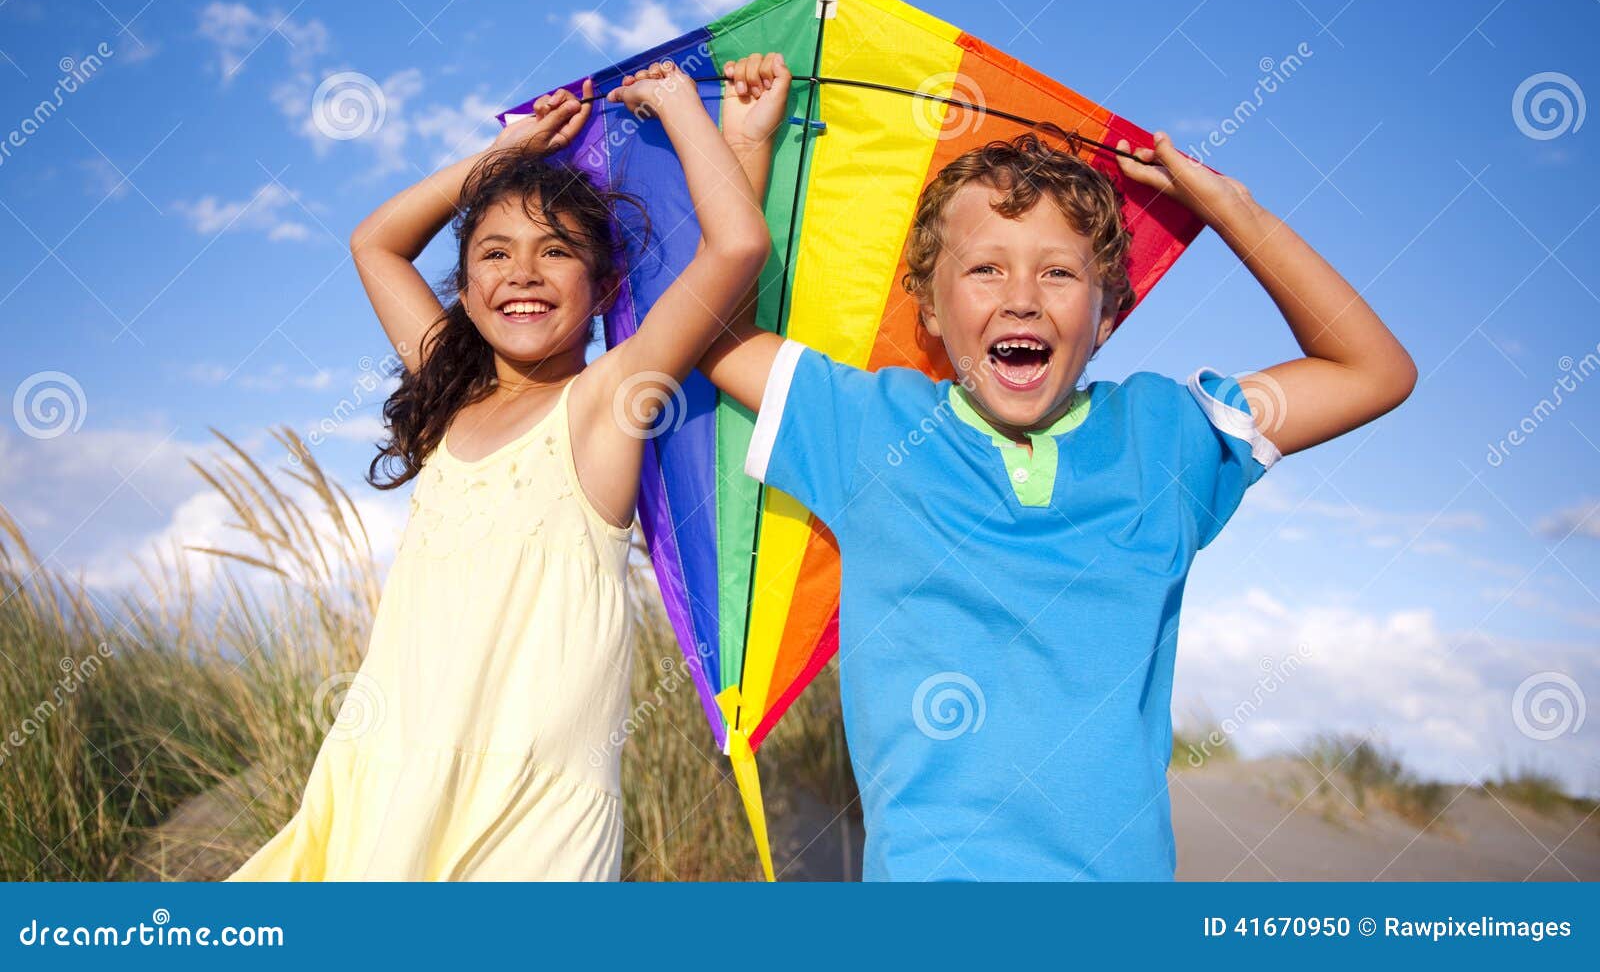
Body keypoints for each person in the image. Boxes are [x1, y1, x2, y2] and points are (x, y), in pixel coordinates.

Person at [699, 51, 1417, 881]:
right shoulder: (869, 427)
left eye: (1059, 272)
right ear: (928, 307)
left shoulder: (1168, 437)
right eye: (985, 268)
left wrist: (1228, 207)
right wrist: (745, 143)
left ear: (1107, 314)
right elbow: (714, 327)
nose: (1023, 297)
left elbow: (1373, 371)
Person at [227, 63, 770, 880]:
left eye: (556, 252)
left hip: (530, 813)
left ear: (603, 289)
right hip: (387, 773)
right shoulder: (452, 399)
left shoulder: (606, 401)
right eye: (494, 253)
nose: (522, 272)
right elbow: (374, 243)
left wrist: (681, 105)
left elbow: (737, 247)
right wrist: (507, 154)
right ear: (466, 288)